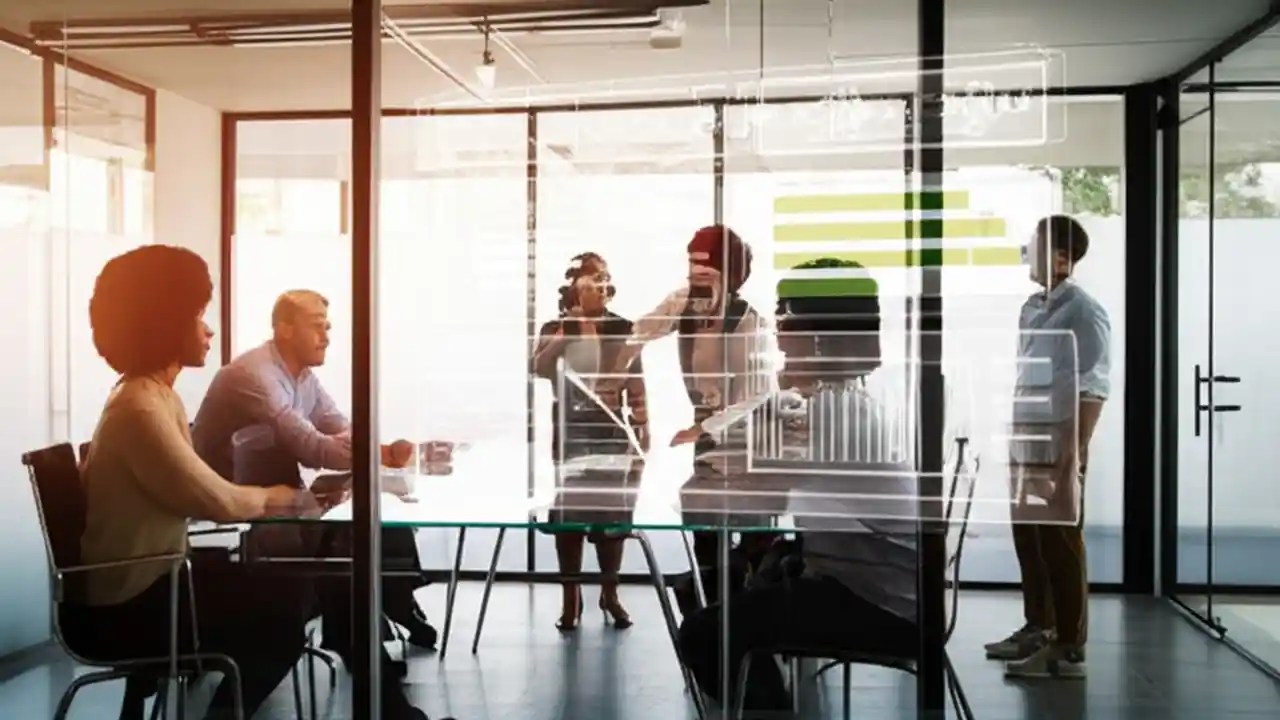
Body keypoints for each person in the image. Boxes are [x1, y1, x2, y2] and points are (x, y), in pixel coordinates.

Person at [77, 246, 432, 720]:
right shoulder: (142, 406)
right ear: (162, 323)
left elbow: (325, 430)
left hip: (163, 579)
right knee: (287, 614)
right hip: (137, 605)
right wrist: (284, 499)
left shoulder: (153, 396)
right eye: (197, 315)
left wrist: (366, 459)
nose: (209, 329)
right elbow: (216, 498)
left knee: (330, 580)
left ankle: (391, 707)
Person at [676, 260, 919, 715]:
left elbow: (747, 495)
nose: (777, 333)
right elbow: (764, 472)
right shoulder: (843, 401)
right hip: (886, 587)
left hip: (880, 604)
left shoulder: (832, 412)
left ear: (818, 335)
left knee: (704, 631)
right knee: (749, 581)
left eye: (784, 319)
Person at [191, 289, 437, 668]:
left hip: (276, 498)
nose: (326, 336)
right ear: (284, 329)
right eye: (316, 327)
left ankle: (391, 608)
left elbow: (337, 426)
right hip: (232, 513)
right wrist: (377, 452)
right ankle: (370, 626)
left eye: (328, 327)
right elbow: (310, 446)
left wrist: (386, 450)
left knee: (374, 514)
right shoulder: (254, 375)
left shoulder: (303, 376)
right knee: (346, 540)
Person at [604, 225, 774, 610]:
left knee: (752, 535)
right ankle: (714, 606)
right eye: (692, 273)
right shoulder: (685, 303)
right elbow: (642, 330)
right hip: (709, 442)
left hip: (753, 442)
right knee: (701, 515)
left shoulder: (750, 324)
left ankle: (749, 609)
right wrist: (617, 371)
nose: (696, 285)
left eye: (706, 275)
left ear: (730, 277)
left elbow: (759, 395)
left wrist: (702, 427)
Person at [985, 214, 1110, 679]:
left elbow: (1094, 384)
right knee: (1030, 536)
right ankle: (1038, 626)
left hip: (1060, 438)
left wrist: (1073, 452)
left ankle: (1069, 648)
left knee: (1060, 539)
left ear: (1062, 258)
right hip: (1028, 434)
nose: (1028, 253)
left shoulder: (1084, 309)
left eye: (1036, 246)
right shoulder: (1032, 307)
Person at [531, 252, 649, 631]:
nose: (599, 286)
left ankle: (610, 593)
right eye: (590, 279)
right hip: (572, 433)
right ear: (573, 287)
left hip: (614, 431)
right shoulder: (556, 326)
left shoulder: (624, 327)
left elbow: (636, 378)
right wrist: (568, 331)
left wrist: (643, 420)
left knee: (613, 518)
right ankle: (571, 597)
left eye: (604, 278)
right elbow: (538, 367)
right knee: (570, 519)